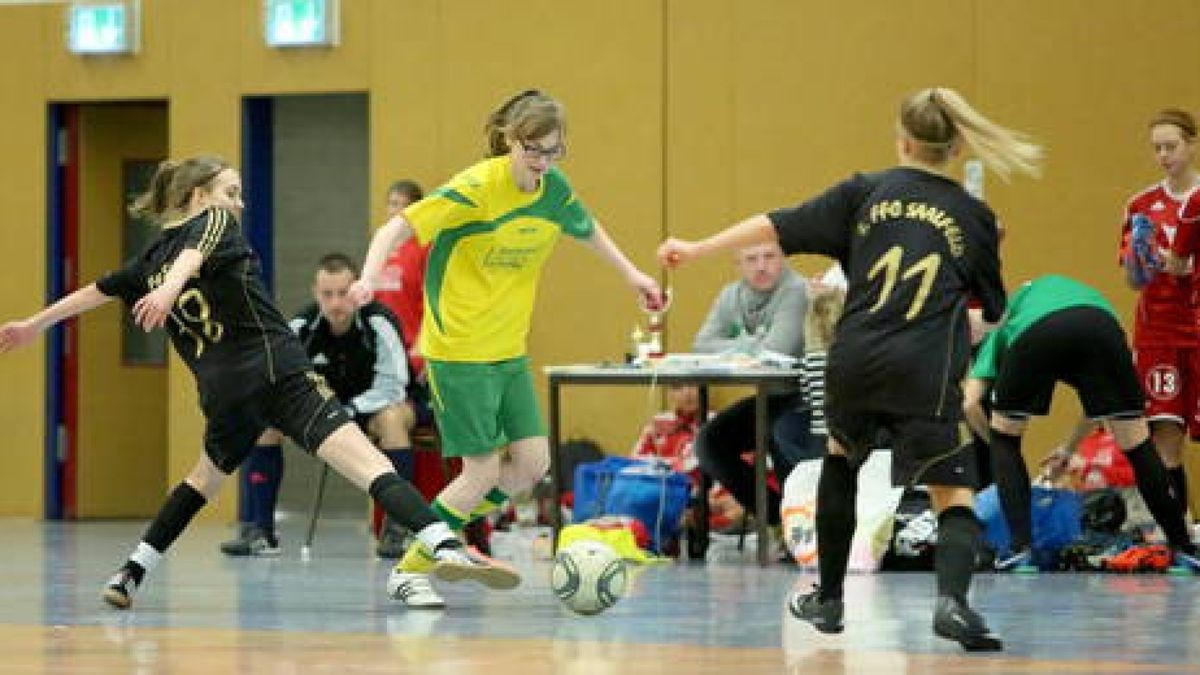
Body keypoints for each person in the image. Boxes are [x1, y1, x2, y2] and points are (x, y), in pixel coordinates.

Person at [0, 156, 515, 611]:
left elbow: (95, 290)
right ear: (199, 196)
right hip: (278, 372)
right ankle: (439, 541)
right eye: (231, 192)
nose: (238, 204)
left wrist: (34, 326)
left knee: (202, 480)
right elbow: (190, 257)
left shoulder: (147, 262)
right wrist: (172, 289)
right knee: (367, 461)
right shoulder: (210, 226)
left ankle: (131, 571)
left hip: (224, 394)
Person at [658, 86, 1041, 651]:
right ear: (957, 147)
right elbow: (992, 309)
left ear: (902, 139)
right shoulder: (974, 214)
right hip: (924, 366)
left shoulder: (864, 192)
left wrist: (696, 248)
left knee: (840, 461)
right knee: (949, 493)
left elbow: (774, 223)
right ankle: (953, 603)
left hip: (856, 356)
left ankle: (830, 599)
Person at [349, 90, 664, 605]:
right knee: (482, 472)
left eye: (553, 151)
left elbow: (587, 229)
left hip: (508, 349)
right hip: (459, 349)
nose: (541, 162)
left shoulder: (551, 189)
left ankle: (441, 532)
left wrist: (634, 277)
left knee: (532, 465)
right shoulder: (477, 186)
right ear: (510, 142)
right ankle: (413, 564)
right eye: (533, 150)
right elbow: (395, 229)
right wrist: (366, 279)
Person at [963, 275, 1199, 571]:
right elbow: (1099, 403)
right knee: (1139, 445)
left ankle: (1019, 549)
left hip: (1037, 335)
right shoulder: (1059, 292)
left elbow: (970, 404)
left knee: (1006, 440)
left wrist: (1000, 450)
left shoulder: (1000, 323)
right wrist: (1069, 448)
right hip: (1102, 327)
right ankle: (1183, 546)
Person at [219, 253, 420, 560]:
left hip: (378, 408)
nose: (336, 303)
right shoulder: (301, 326)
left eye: (343, 293)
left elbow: (393, 386)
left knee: (392, 418)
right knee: (264, 422)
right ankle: (261, 531)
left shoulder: (379, 321)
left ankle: (396, 530)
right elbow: (277, 380)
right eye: (328, 294)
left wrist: (351, 409)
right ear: (316, 293)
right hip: (324, 412)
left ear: (358, 290)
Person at [691, 241, 814, 532]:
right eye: (751, 259)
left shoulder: (796, 291)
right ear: (738, 265)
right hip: (768, 398)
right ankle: (777, 517)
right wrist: (750, 345)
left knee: (780, 432)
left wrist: (737, 347)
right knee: (710, 442)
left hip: (806, 398)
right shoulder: (730, 296)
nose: (761, 265)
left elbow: (777, 351)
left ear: (783, 258)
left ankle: (801, 523)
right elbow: (701, 345)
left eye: (769, 257)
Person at [1120, 109, 1200, 521]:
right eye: (1157, 149)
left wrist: (1182, 264)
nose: (1164, 155)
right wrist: (1142, 260)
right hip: (1160, 335)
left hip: (1198, 328)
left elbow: (1185, 264)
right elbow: (1134, 281)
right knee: (1167, 437)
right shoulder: (1141, 206)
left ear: (1191, 144)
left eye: (1171, 146)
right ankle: (1178, 533)